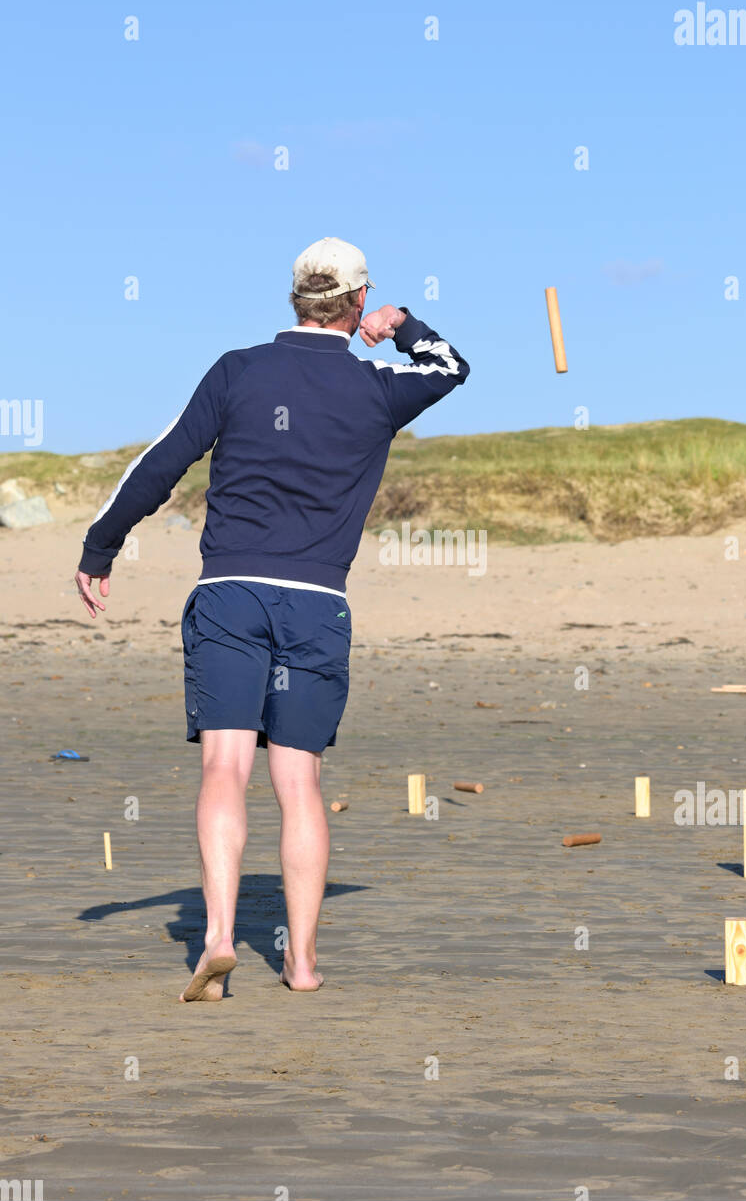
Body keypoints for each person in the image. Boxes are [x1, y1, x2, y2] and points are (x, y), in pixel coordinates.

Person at [74, 237, 469, 999]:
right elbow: (453, 366)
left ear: (294, 298)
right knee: (299, 780)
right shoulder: (378, 388)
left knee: (224, 766)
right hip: (317, 603)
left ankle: (218, 939)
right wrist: (404, 323)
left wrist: (102, 545)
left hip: (229, 592)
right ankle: (302, 963)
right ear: (355, 304)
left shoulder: (239, 370)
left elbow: (162, 461)